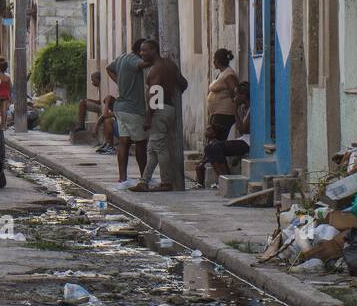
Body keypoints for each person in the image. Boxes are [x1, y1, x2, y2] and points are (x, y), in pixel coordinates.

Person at [133, 39, 187, 192]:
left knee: (160, 148)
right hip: (168, 108)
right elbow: (183, 83)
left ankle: (166, 183)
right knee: (153, 148)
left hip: (159, 110)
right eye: (140, 50)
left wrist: (149, 117)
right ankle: (144, 182)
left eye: (145, 50)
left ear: (154, 50)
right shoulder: (169, 64)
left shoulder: (156, 69)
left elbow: (155, 94)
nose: (141, 53)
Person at [106, 38, 149, 189]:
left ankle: (122, 178)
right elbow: (142, 64)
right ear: (140, 51)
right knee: (141, 144)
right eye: (145, 51)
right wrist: (155, 59)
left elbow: (109, 68)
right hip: (133, 109)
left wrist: (120, 81)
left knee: (124, 142)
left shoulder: (122, 57)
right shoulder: (134, 60)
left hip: (120, 107)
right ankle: (145, 178)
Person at [197, 82, 251, 186]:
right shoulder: (244, 108)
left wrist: (234, 110)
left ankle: (226, 180)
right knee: (211, 147)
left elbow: (242, 129)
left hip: (249, 142)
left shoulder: (252, 110)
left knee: (215, 147)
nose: (234, 97)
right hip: (243, 140)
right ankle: (225, 178)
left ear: (243, 95)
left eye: (236, 95)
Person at [205, 48, 239, 140]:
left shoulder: (229, 74)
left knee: (217, 139)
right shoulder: (222, 73)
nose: (213, 61)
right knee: (213, 138)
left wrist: (232, 101)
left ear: (218, 60)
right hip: (218, 113)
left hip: (224, 114)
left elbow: (235, 91)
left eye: (214, 59)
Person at [0, 60, 11, 129]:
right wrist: (10, 96)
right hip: (6, 95)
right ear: (6, 68)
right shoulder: (7, 78)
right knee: (4, 110)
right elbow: (10, 87)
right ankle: (4, 125)